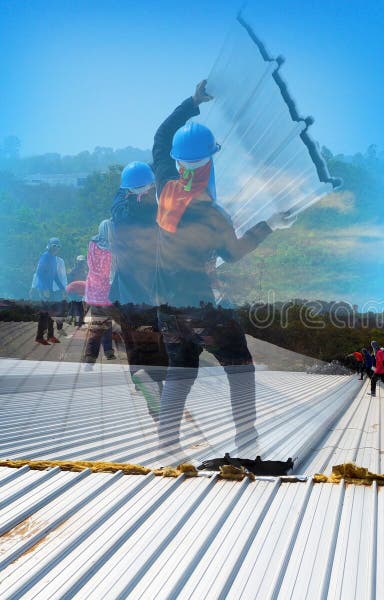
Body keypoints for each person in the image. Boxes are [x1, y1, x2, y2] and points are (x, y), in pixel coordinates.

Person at [153, 81, 294, 452]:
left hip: (166, 307)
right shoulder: (213, 216)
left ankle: (167, 445)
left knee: (179, 374)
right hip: (200, 306)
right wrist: (270, 225)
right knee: (240, 368)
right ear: (210, 161)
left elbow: (162, 135)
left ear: (177, 160)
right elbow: (232, 253)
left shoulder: (164, 187)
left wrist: (191, 102)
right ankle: (247, 443)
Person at [110, 160, 169, 419]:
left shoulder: (118, 211)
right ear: (149, 190)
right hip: (148, 297)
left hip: (123, 296)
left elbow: (122, 191)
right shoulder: (154, 214)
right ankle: (156, 399)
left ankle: (142, 381)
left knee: (135, 348)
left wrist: (144, 173)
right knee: (156, 351)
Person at [83, 220, 116, 365]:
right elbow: (112, 269)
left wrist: (95, 275)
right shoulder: (113, 247)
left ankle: (92, 354)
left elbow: (90, 263)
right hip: (108, 290)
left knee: (99, 322)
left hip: (94, 289)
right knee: (106, 321)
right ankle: (107, 351)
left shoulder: (92, 243)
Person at [32, 238, 66, 345]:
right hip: (43, 289)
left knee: (51, 313)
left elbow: (55, 275)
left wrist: (62, 288)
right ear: (49, 246)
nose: (56, 248)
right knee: (44, 314)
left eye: (58, 246)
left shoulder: (53, 258)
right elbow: (39, 274)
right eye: (54, 246)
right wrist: (45, 289)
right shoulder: (45, 257)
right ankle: (39, 337)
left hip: (50, 289)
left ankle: (50, 336)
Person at [67, 255, 88, 327]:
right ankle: (78, 322)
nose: (82, 263)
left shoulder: (83, 271)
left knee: (75, 306)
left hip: (79, 291)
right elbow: (69, 282)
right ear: (78, 262)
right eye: (81, 262)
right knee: (77, 307)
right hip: (73, 291)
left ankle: (72, 320)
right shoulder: (73, 271)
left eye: (83, 262)